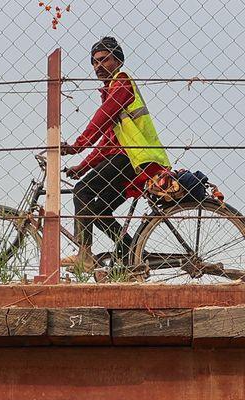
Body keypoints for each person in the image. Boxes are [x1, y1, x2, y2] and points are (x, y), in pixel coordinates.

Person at [61, 37, 171, 270]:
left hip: (133, 158)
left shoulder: (121, 83)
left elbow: (103, 117)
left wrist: (78, 145)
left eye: (104, 60)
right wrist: (82, 165)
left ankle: (84, 254)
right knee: (98, 210)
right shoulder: (112, 89)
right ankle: (133, 255)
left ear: (118, 61)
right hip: (135, 160)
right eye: (94, 62)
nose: (98, 66)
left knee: (82, 190)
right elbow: (108, 142)